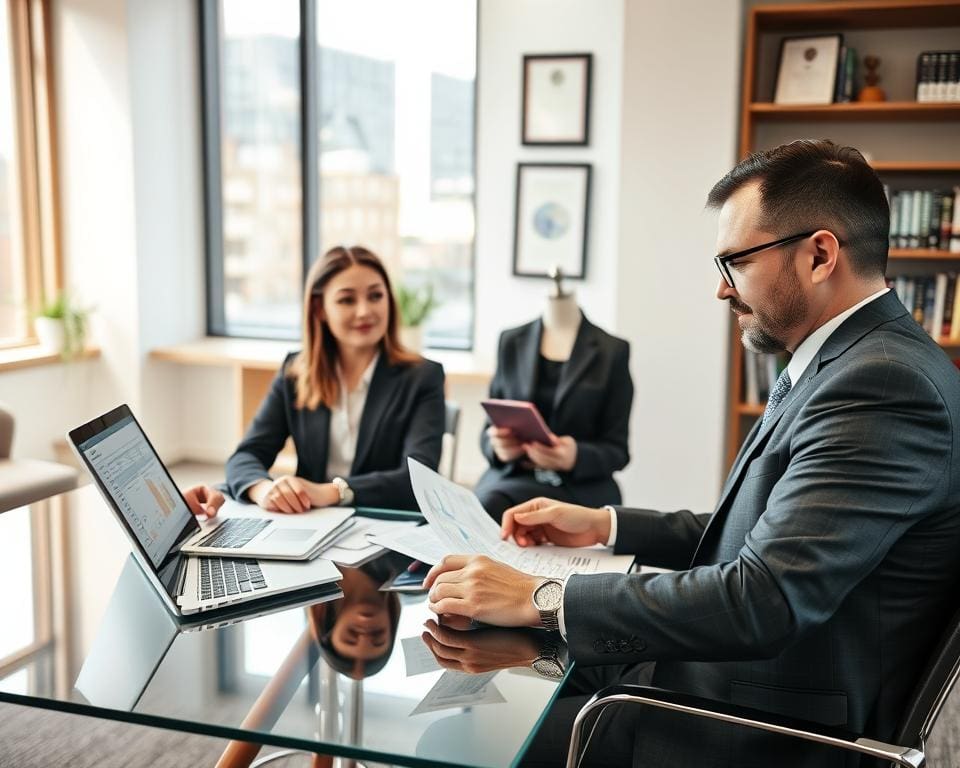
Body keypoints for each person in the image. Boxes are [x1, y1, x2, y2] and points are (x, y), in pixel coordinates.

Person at [423, 140, 960, 766]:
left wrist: (542, 597)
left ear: (819, 255)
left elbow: (763, 599)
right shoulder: (850, 362)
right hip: (733, 680)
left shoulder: (882, 387)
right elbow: (765, 535)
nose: (721, 289)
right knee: (490, 673)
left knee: (461, 731)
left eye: (734, 262)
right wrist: (606, 525)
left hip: (756, 725)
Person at [225, 245, 445, 512]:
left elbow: (420, 479)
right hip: (311, 521)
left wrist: (333, 491)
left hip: (385, 525)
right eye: (347, 300)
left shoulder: (422, 377)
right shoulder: (296, 371)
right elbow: (246, 455)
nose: (364, 311)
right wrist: (264, 490)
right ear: (320, 309)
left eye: (375, 296)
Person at [476, 284, 633, 522]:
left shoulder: (613, 351)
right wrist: (498, 447)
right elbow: (487, 432)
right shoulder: (510, 341)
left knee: (495, 509)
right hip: (512, 476)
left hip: (579, 487)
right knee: (479, 511)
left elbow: (618, 450)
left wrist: (575, 456)